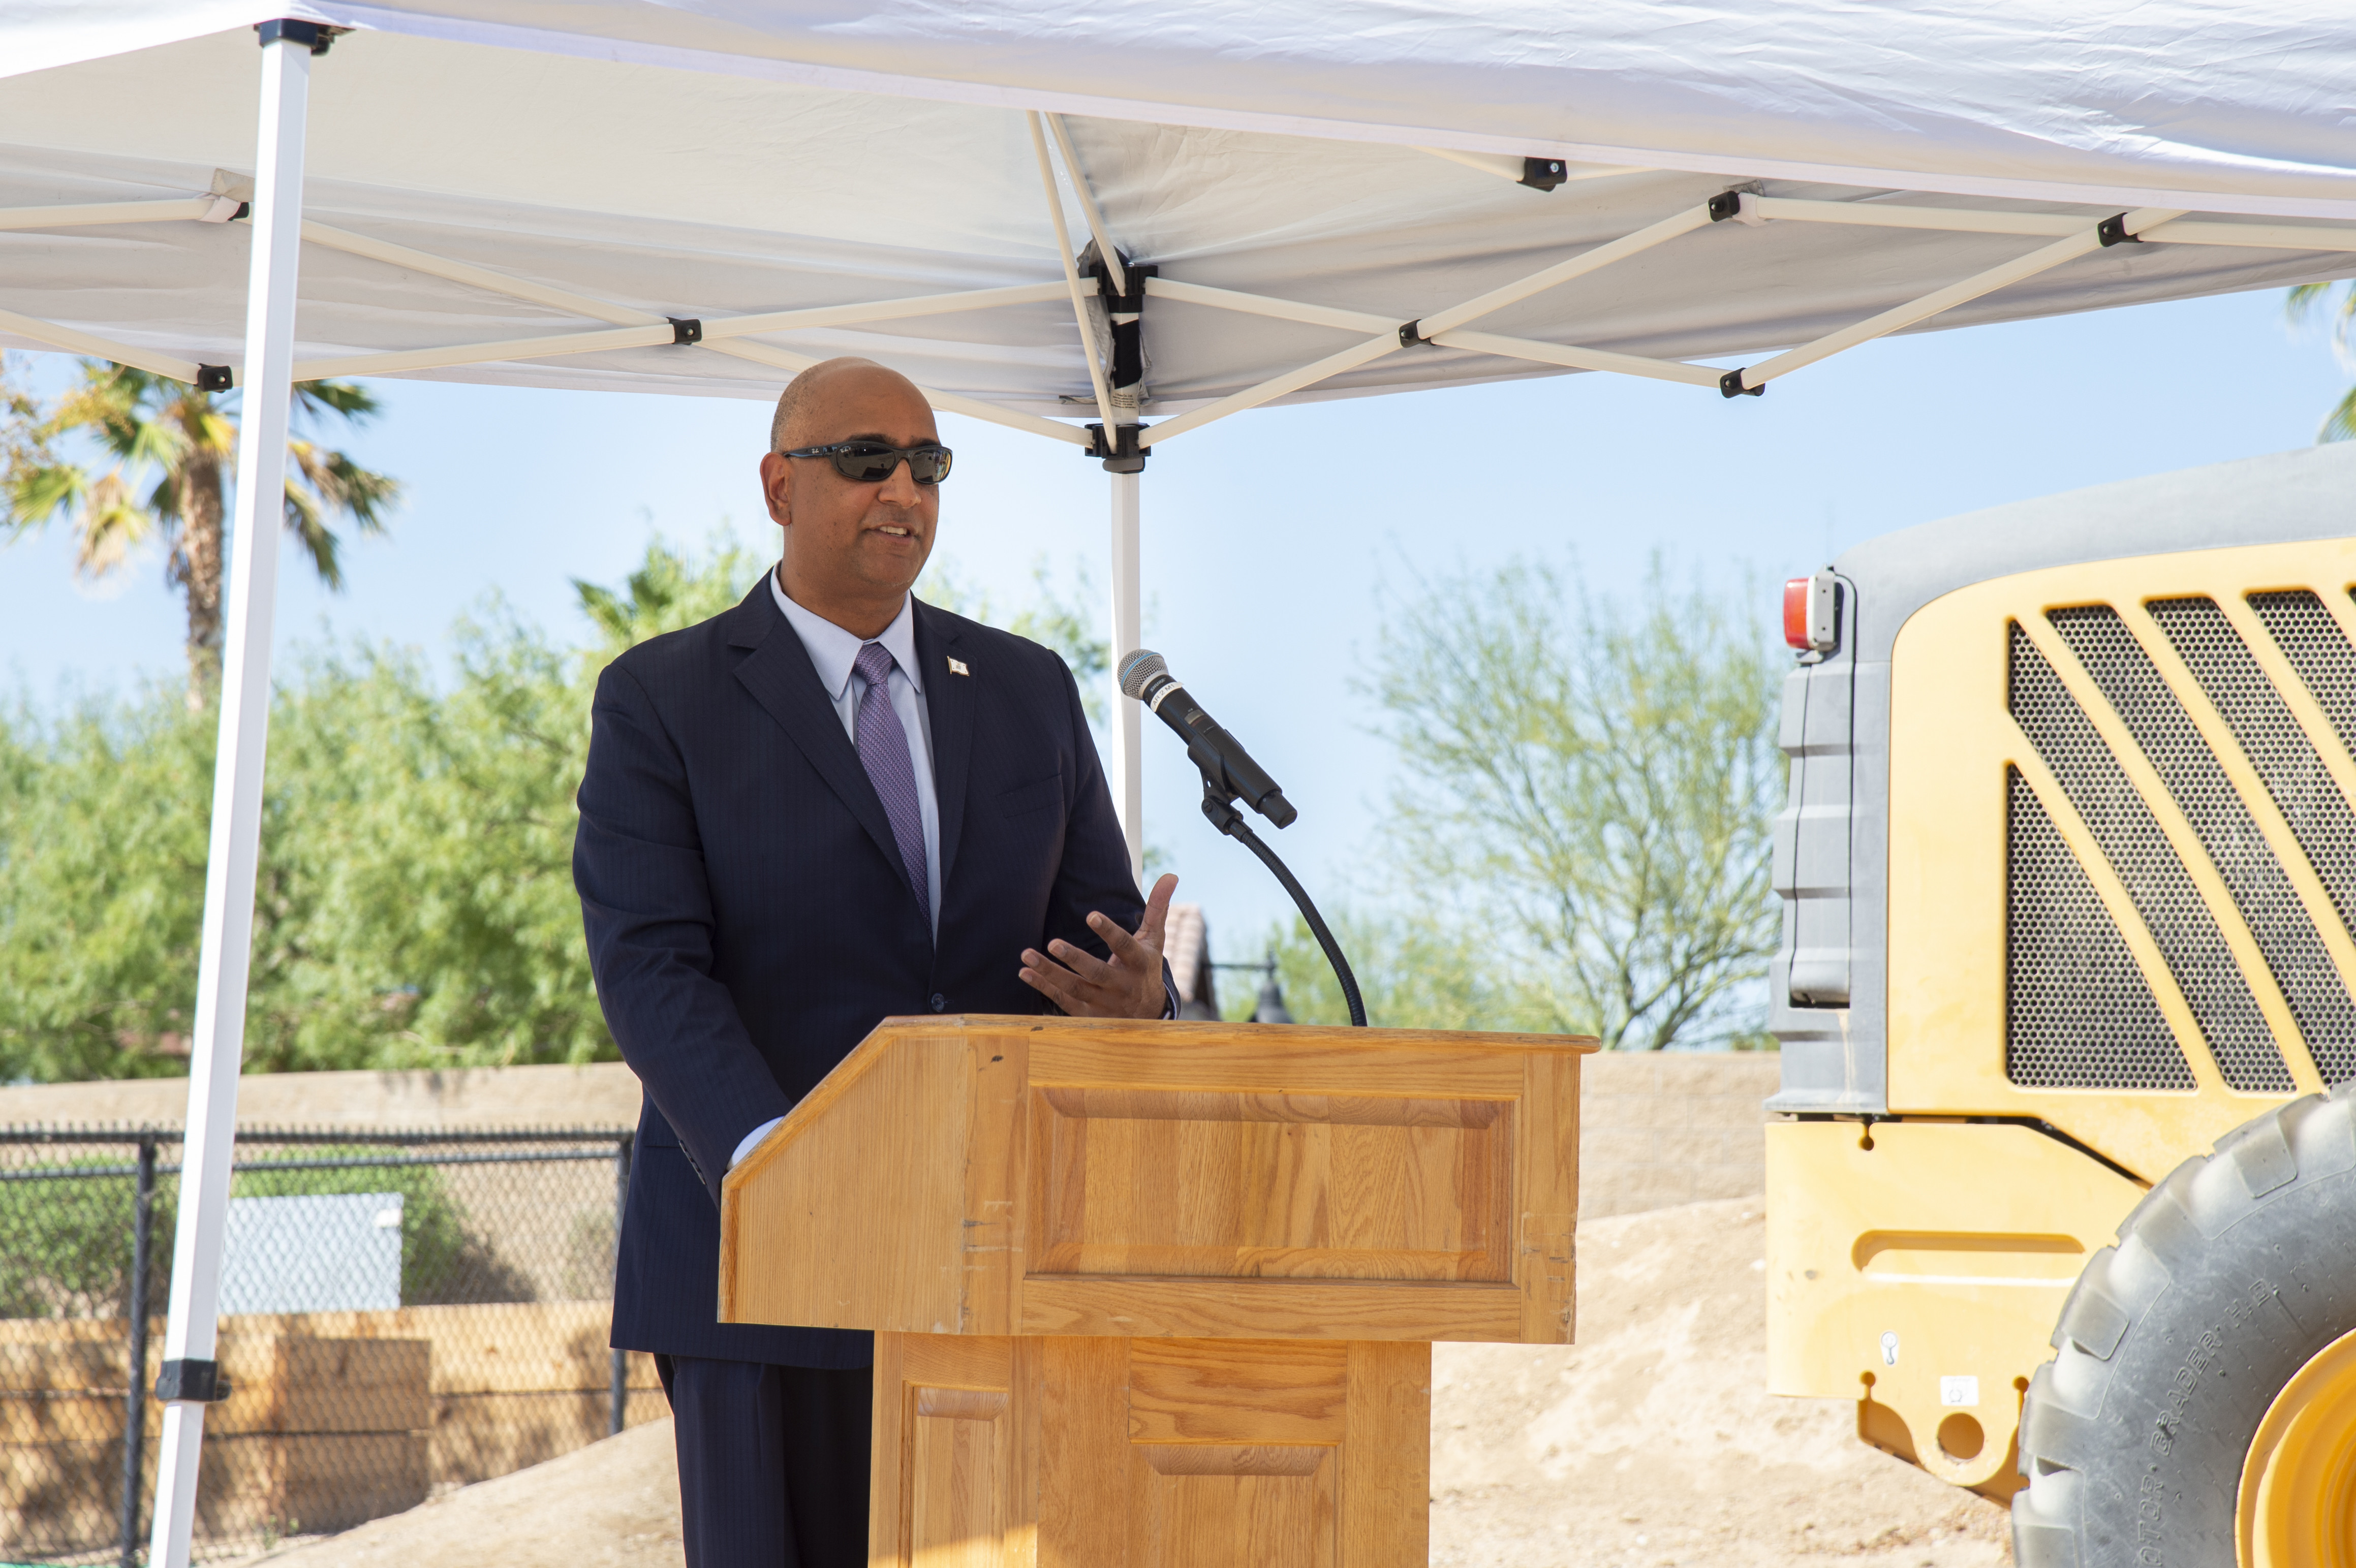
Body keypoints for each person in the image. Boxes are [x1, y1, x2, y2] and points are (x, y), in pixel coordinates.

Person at [573, 357, 1175, 1568]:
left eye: (928, 464)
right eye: (866, 459)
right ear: (779, 484)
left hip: (989, 1253)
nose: (902, 486)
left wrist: (1142, 998)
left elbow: (1102, 934)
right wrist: (786, 1167)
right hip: (760, 1257)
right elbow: (650, 970)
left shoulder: (1025, 688)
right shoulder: (664, 697)